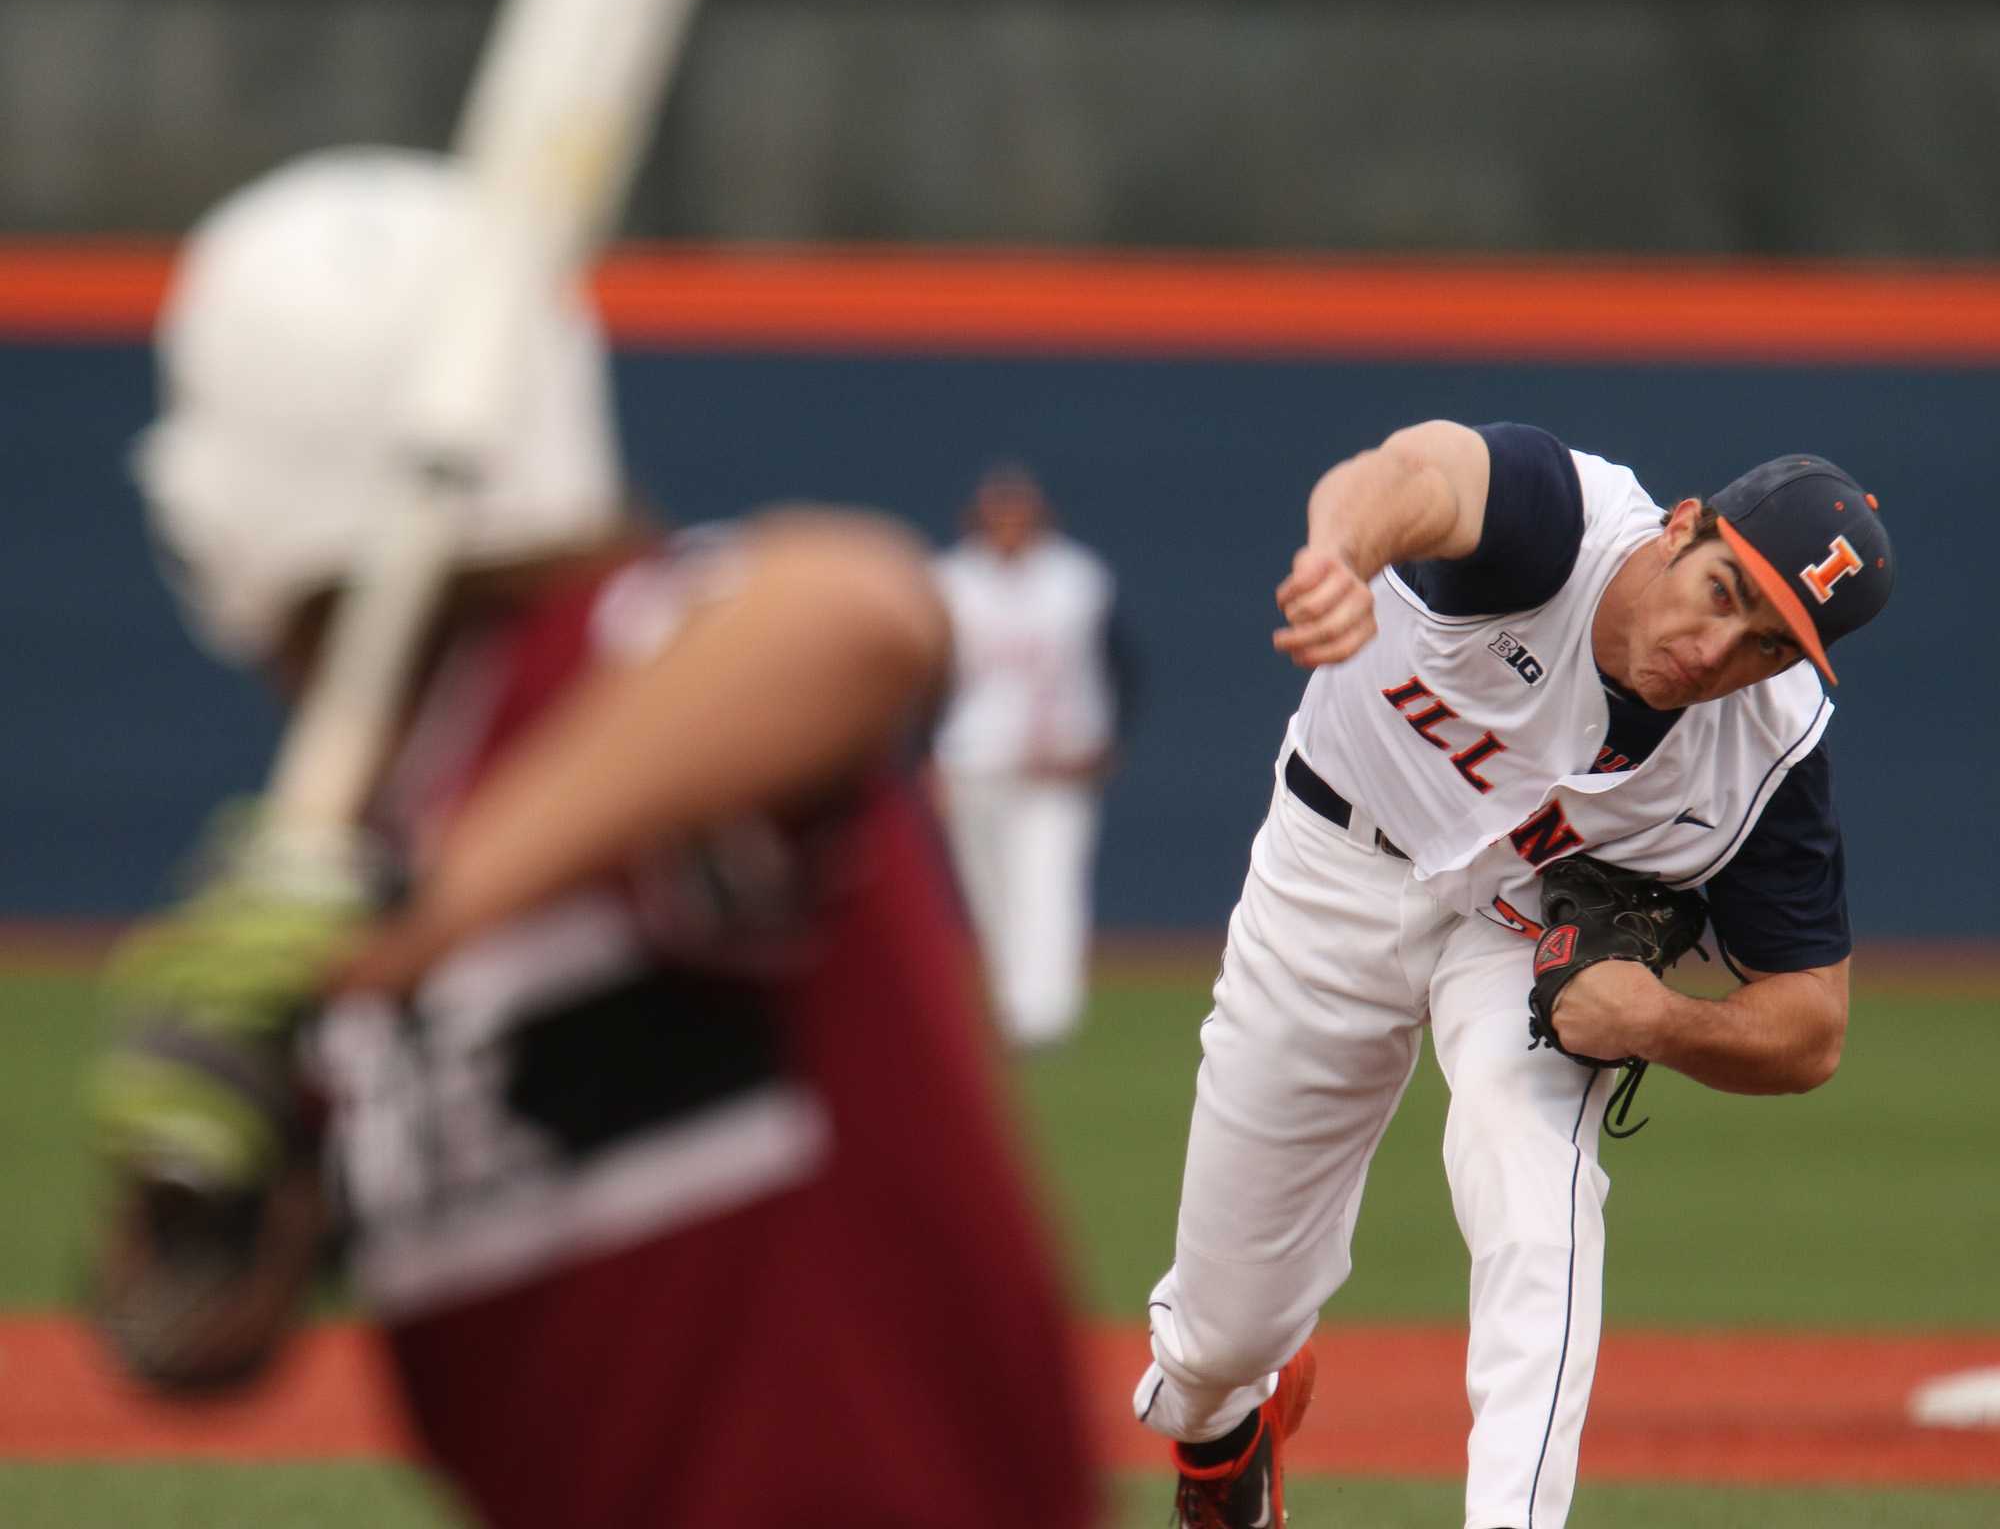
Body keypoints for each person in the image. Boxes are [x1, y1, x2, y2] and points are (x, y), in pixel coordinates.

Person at [89, 147, 1098, 1529]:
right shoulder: (343, 854)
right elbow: (195, 1346)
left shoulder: (620, 679)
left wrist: (434, 899)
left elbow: (859, 614)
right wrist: (203, 1173)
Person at [1134, 420, 1893, 1529]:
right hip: (1332, 864)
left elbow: (1810, 1026)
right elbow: (1413, 472)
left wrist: (1659, 1019)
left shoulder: (1765, 753)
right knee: (1220, 1334)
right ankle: (1225, 1426)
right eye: (1724, 590)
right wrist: (1338, 554)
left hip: (1517, 931)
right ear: (1683, 525)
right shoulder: (1557, 526)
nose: (1715, 649)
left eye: (1768, 644)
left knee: (1532, 1191)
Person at [931, 465, 1127, 1046]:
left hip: (1057, 763)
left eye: (1020, 513)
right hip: (971, 759)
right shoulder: (949, 582)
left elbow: (1119, 663)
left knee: (1048, 882)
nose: (1010, 524)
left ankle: (1044, 1013)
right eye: (998, 513)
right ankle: (1007, 1002)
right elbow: (923, 678)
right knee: (988, 891)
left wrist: (1106, 739)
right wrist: (925, 757)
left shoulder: (1077, 579)